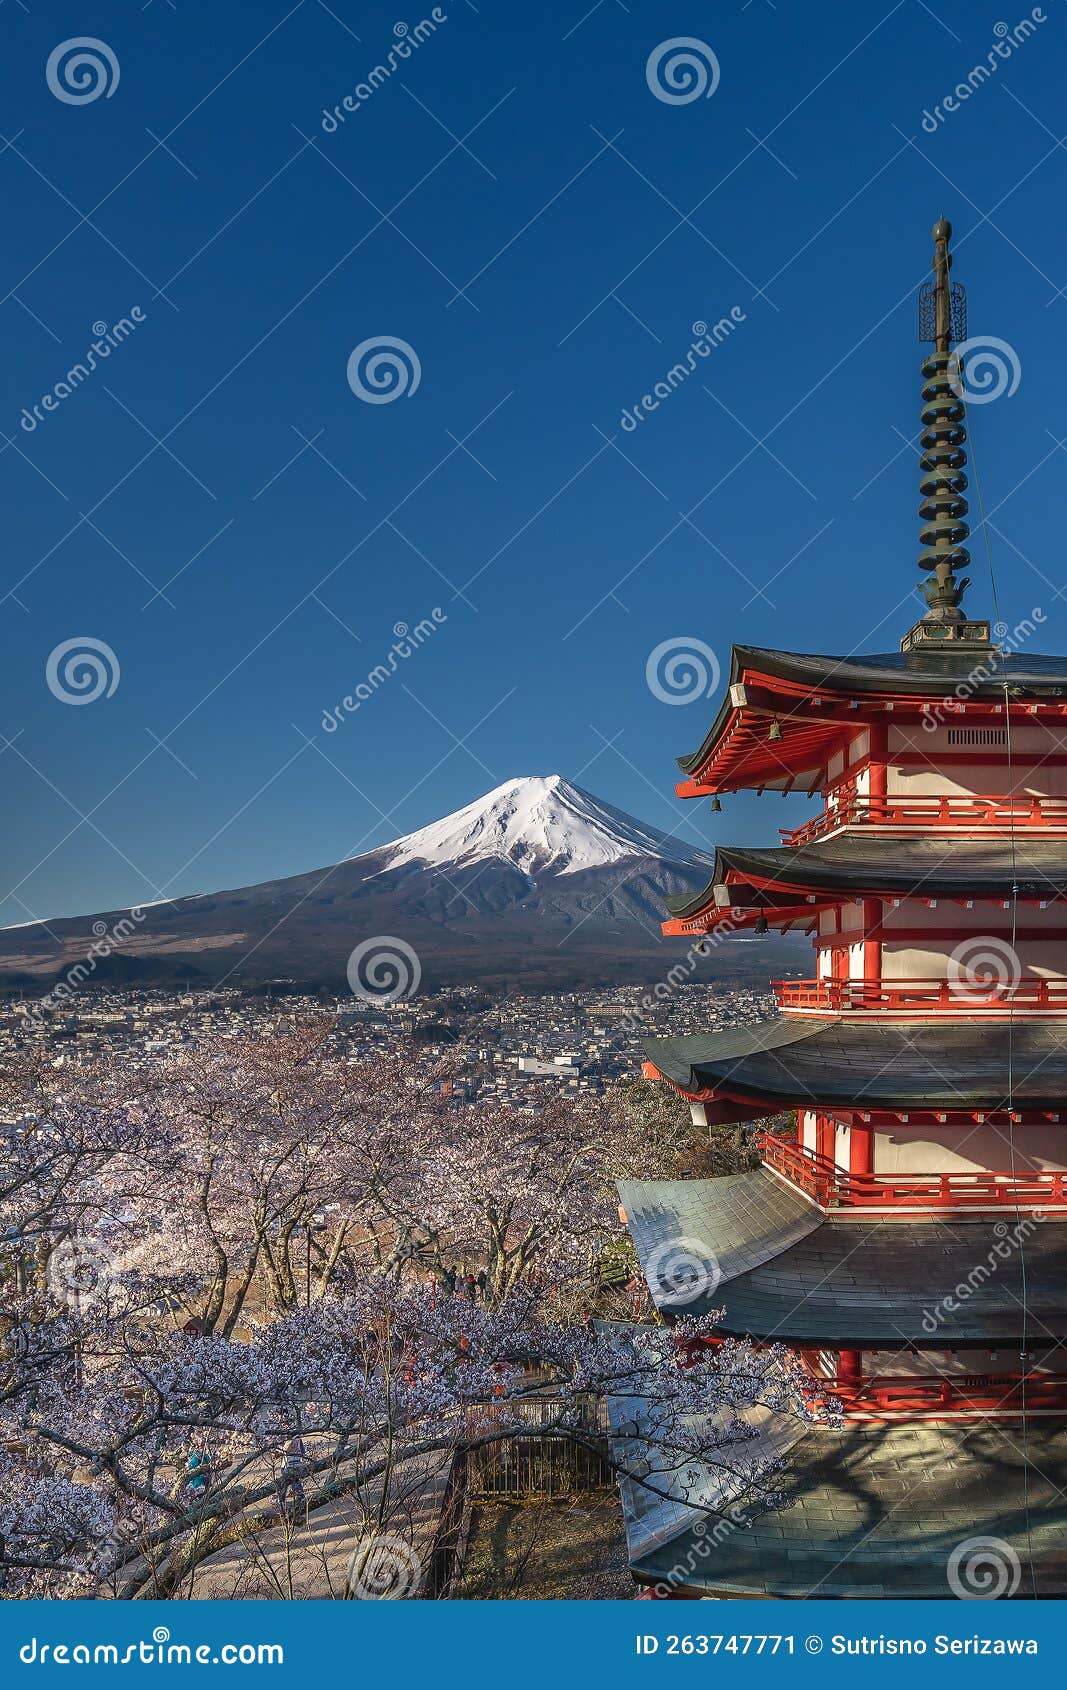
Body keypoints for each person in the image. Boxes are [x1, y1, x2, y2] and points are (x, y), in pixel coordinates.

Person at [276, 1436, 307, 1516]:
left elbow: (278, 1453)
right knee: (295, 1480)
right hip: (297, 1464)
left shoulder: (283, 1439)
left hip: (287, 1465)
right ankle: (300, 1496)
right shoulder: (298, 1439)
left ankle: (281, 1499)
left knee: (285, 1482)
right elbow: (303, 1452)